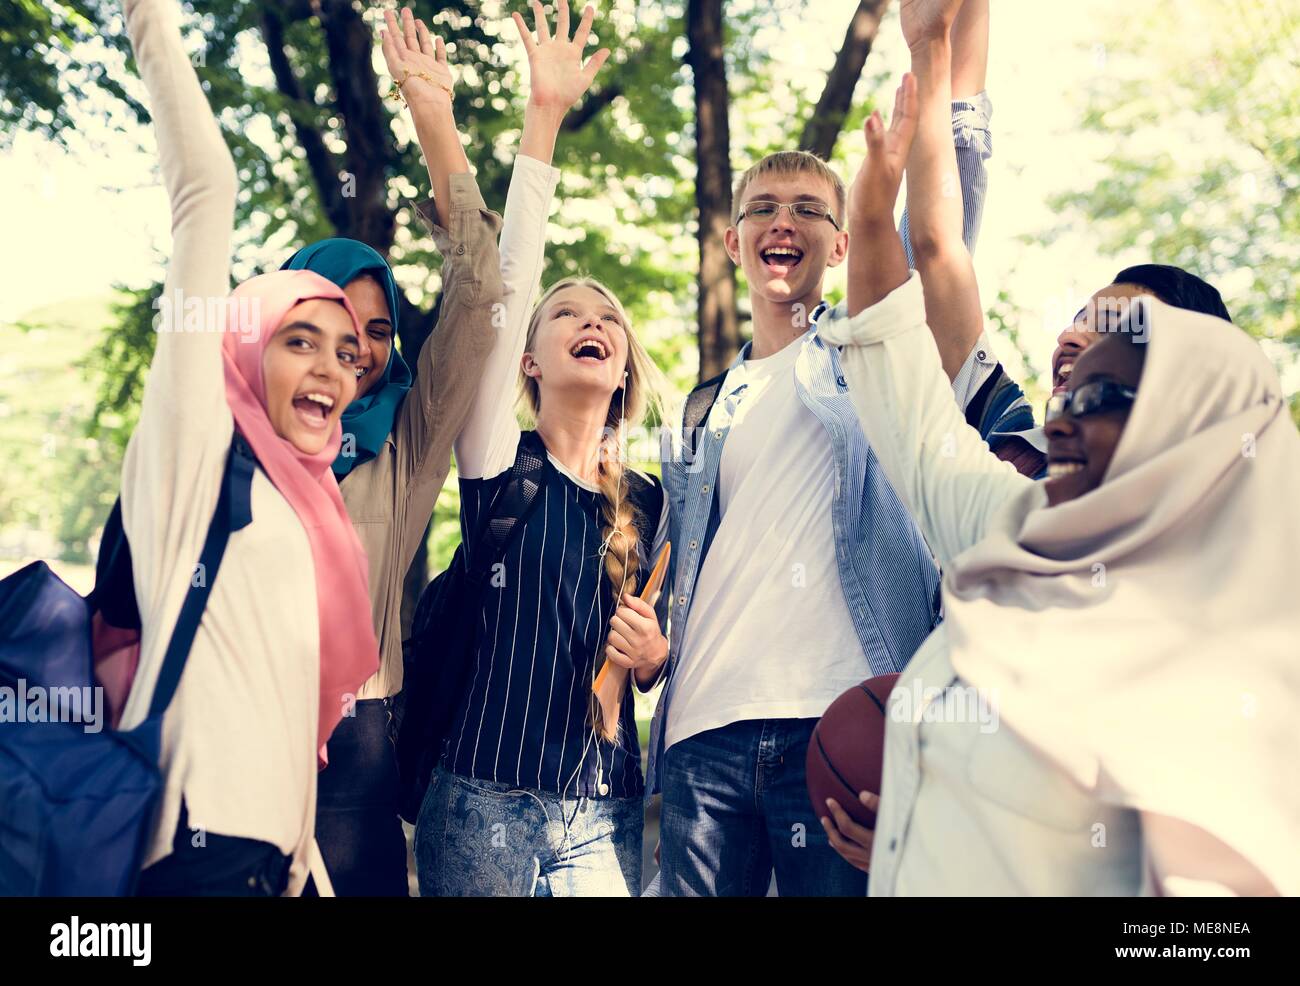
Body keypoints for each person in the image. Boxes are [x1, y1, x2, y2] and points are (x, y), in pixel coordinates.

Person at [817, 66, 1298, 896]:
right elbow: (903, 387)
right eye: (1069, 389)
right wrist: (868, 206)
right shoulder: (1019, 519)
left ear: (1201, 410)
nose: (1066, 411)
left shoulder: (1239, 640)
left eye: (1107, 392)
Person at [646, 0, 995, 897]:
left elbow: (946, 216)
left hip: (840, 725)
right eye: (762, 208)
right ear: (734, 242)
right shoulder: (701, 409)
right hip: (702, 735)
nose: (782, 220)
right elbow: (671, 573)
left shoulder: (872, 357)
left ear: (842, 245)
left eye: (808, 209)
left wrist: (940, 41)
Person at [118, 0, 378, 896]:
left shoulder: (306, 502)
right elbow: (205, 194)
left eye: (347, 354)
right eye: (298, 339)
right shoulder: (197, 453)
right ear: (241, 348)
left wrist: (302, 845)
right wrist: (150, 16)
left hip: (274, 859)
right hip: (195, 844)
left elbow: (283, 690)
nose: (333, 371)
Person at [413, 1, 670, 898]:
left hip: (604, 813)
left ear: (625, 363)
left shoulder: (655, 499)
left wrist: (653, 659)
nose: (590, 322)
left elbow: (669, 664)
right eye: (567, 313)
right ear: (528, 357)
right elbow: (507, 276)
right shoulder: (497, 459)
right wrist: (543, 121)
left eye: (608, 319)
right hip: (481, 803)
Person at [285, 6, 507, 897]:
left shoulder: (404, 444)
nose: (363, 347)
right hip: (232, 723)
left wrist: (433, 119)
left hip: (355, 748)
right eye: (340, 319)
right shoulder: (233, 437)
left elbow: (481, 288)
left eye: (379, 331)